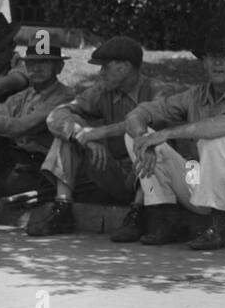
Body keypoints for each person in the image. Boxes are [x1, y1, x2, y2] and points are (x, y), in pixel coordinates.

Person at [122, 26, 225, 250]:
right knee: (135, 138)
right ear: (203, 62)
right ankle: (164, 219)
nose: (217, 63)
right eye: (211, 57)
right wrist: (144, 138)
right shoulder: (194, 95)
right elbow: (138, 114)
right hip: (199, 183)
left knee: (218, 138)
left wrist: (167, 133)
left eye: (224, 57)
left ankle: (217, 228)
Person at [42, 36, 159, 241]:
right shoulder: (101, 91)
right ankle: (63, 208)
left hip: (149, 177)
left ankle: (138, 214)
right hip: (114, 171)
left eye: (105, 66)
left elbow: (147, 124)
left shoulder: (156, 92)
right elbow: (56, 116)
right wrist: (82, 135)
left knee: (150, 136)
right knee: (68, 130)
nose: (100, 72)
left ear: (124, 67)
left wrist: (99, 133)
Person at [0, 41, 73, 233]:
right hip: (14, 161)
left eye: (44, 62)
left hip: (40, 168)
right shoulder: (25, 95)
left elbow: (22, 127)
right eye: (31, 63)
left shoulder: (64, 96)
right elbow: (0, 113)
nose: (36, 68)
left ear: (59, 67)